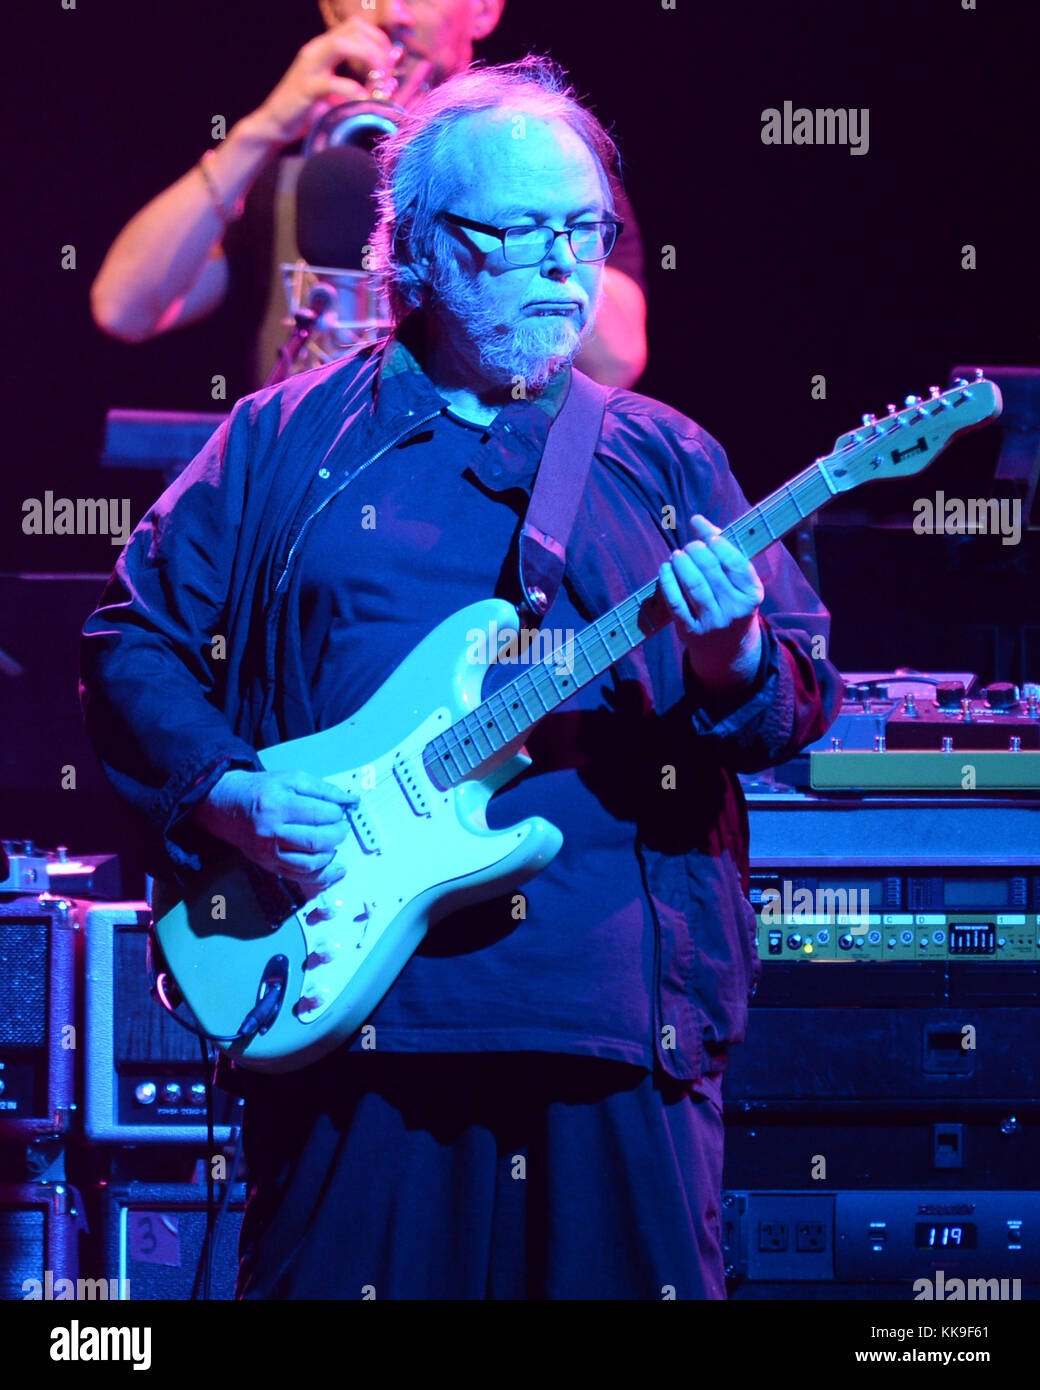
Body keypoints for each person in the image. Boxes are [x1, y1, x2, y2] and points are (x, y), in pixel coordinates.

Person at [80, 58, 842, 1300]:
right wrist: (224, 793)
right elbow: (132, 641)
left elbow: (791, 695)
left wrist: (731, 656)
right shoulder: (283, 440)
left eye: (584, 233)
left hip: (611, 1027)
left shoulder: (664, 458)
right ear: (415, 250)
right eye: (519, 234)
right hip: (348, 1027)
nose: (563, 266)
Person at [88, 0, 648, 390]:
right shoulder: (287, 178)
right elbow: (124, 308)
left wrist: (480, 189)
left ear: (483, 8)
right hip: (310, 486)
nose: (389, 14)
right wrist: (262, 131)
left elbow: (618, 360)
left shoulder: (544, 165)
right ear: (332, 13)